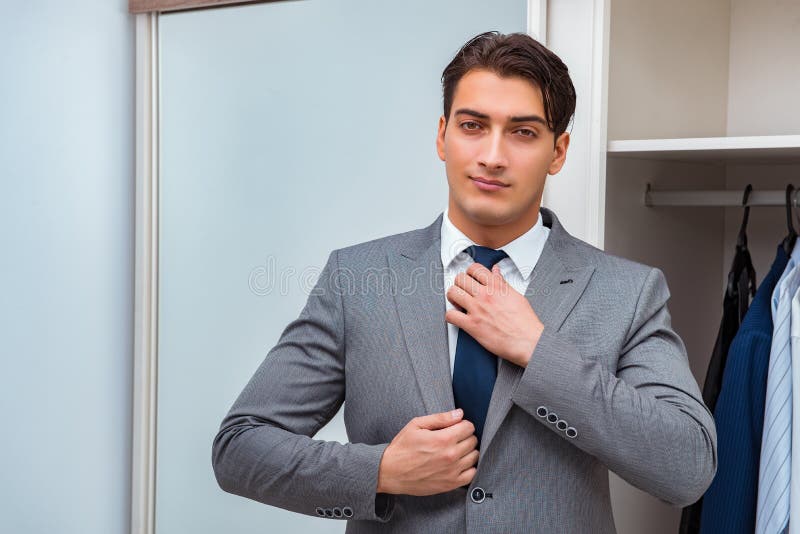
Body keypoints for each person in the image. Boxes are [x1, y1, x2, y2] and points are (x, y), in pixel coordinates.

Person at [212, 31, 717, 533]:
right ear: (442, 136)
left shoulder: (627, 293)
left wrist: (539, 351)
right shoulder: (357, 279)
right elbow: (241, 446)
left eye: (522, 132)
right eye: (473, 126)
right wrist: (383, 471)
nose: (492, 155)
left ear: (558, 151)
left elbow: (687, 467)